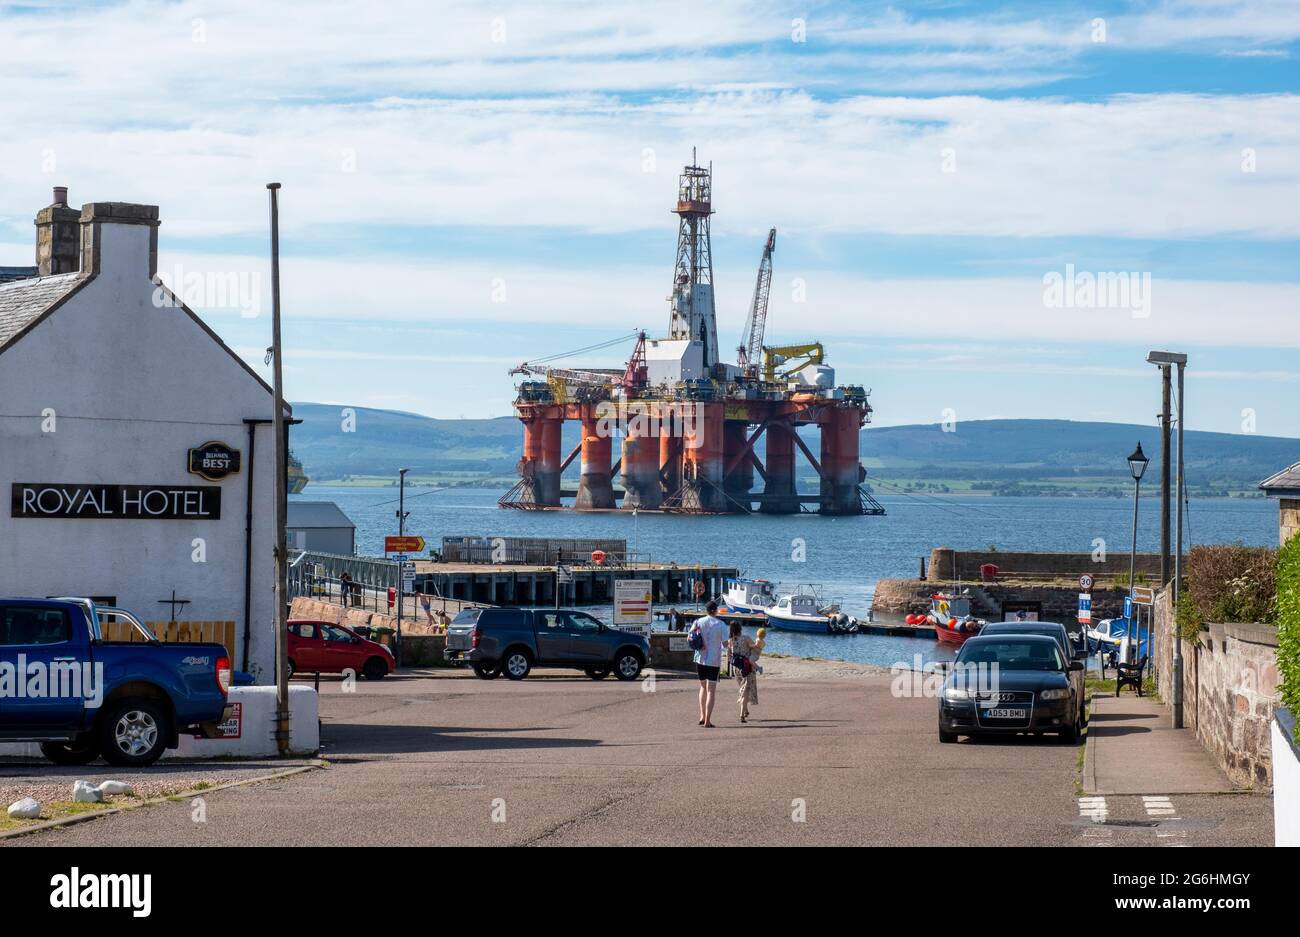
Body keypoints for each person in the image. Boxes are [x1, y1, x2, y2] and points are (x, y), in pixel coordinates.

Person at [690, 601, 728, 727]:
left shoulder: (698, 622)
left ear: (706, 610)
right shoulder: (721, 624)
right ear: (716, 610)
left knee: (702, 687)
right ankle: (707, 720)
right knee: (711, 691)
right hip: (714, 660)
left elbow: (689, 637)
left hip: (700, 658)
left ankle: (701, 715)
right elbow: (725, 644)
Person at [728, 621, 759, 723]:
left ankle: (745, 710)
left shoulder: (730, 641)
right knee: (746, 690)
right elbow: (754, 646)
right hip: (747, 667)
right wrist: (759, 643)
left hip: (737, 668)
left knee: (742, 687)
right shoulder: (745, 638)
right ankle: (741, 714)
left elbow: (729, 657)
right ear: (740, 629)